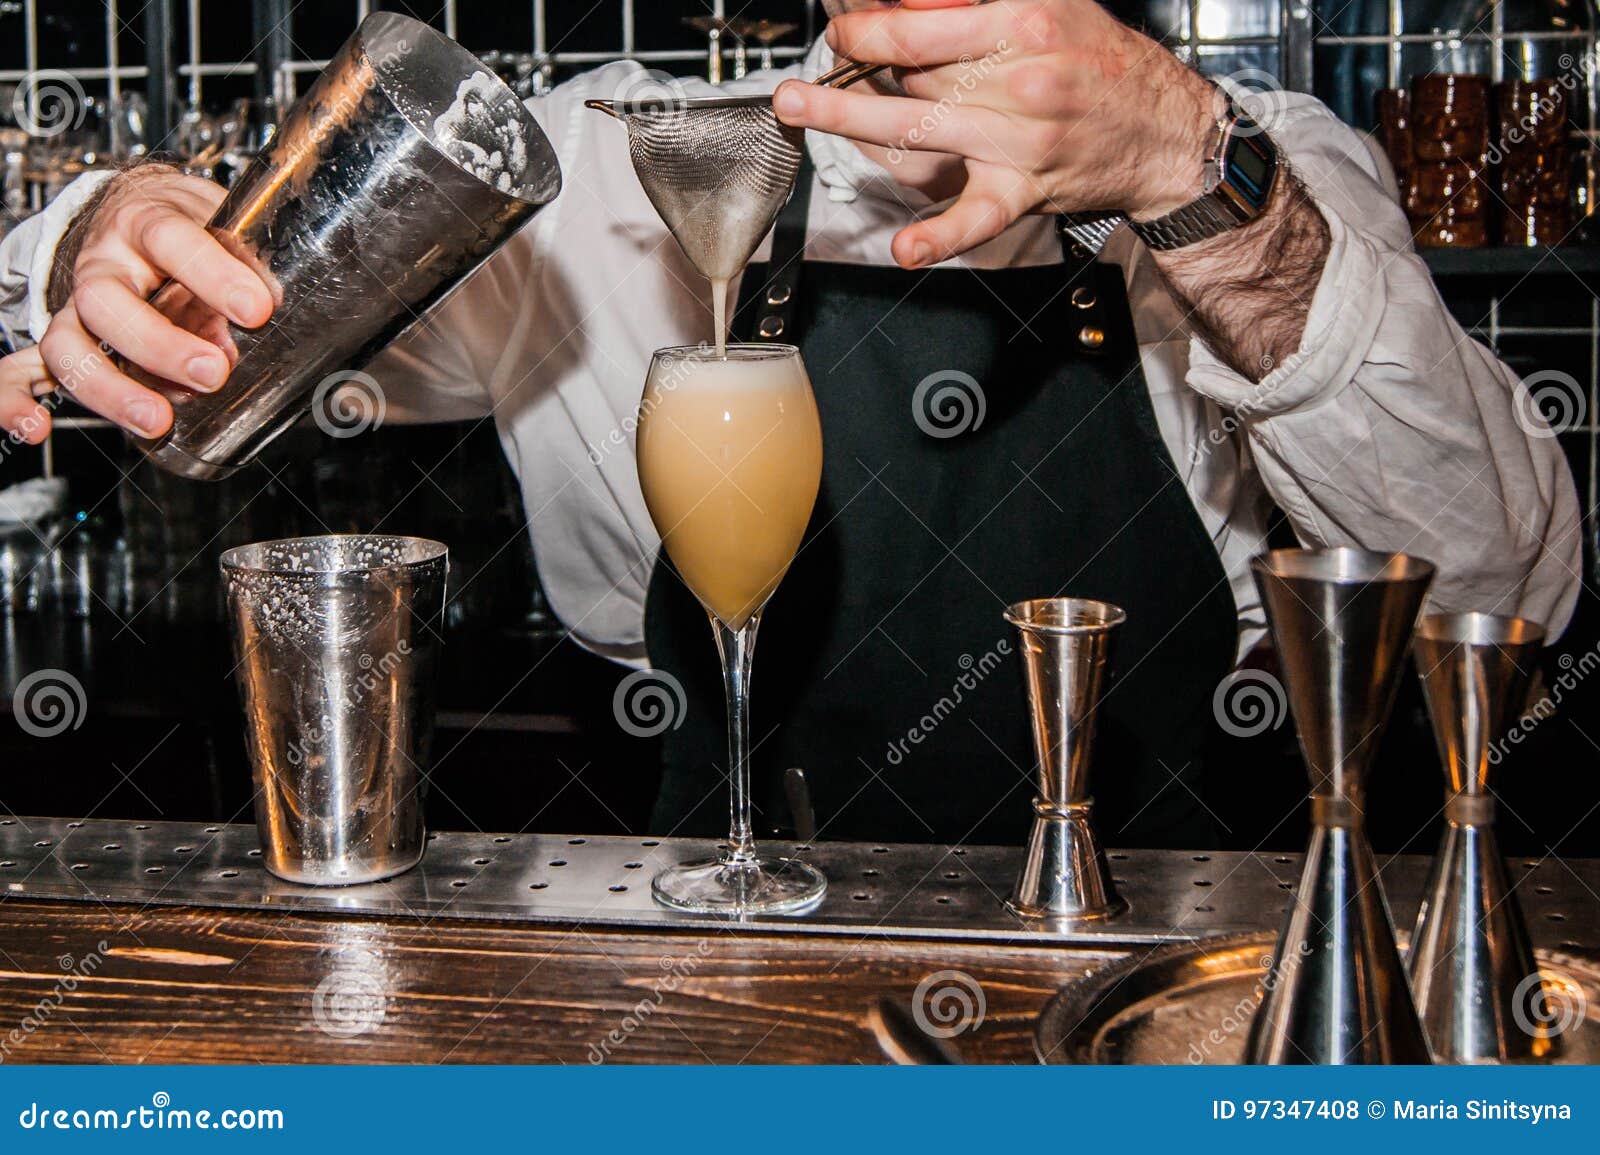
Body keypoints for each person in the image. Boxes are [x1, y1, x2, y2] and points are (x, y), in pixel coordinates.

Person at [0, 1, 1581, 848]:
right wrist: (100, 229)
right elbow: (215, 338)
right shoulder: (606, 170)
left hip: (1169, 963)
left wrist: (1194, 179)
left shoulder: (1258, 160)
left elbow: (1508, 596)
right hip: (729, 953)